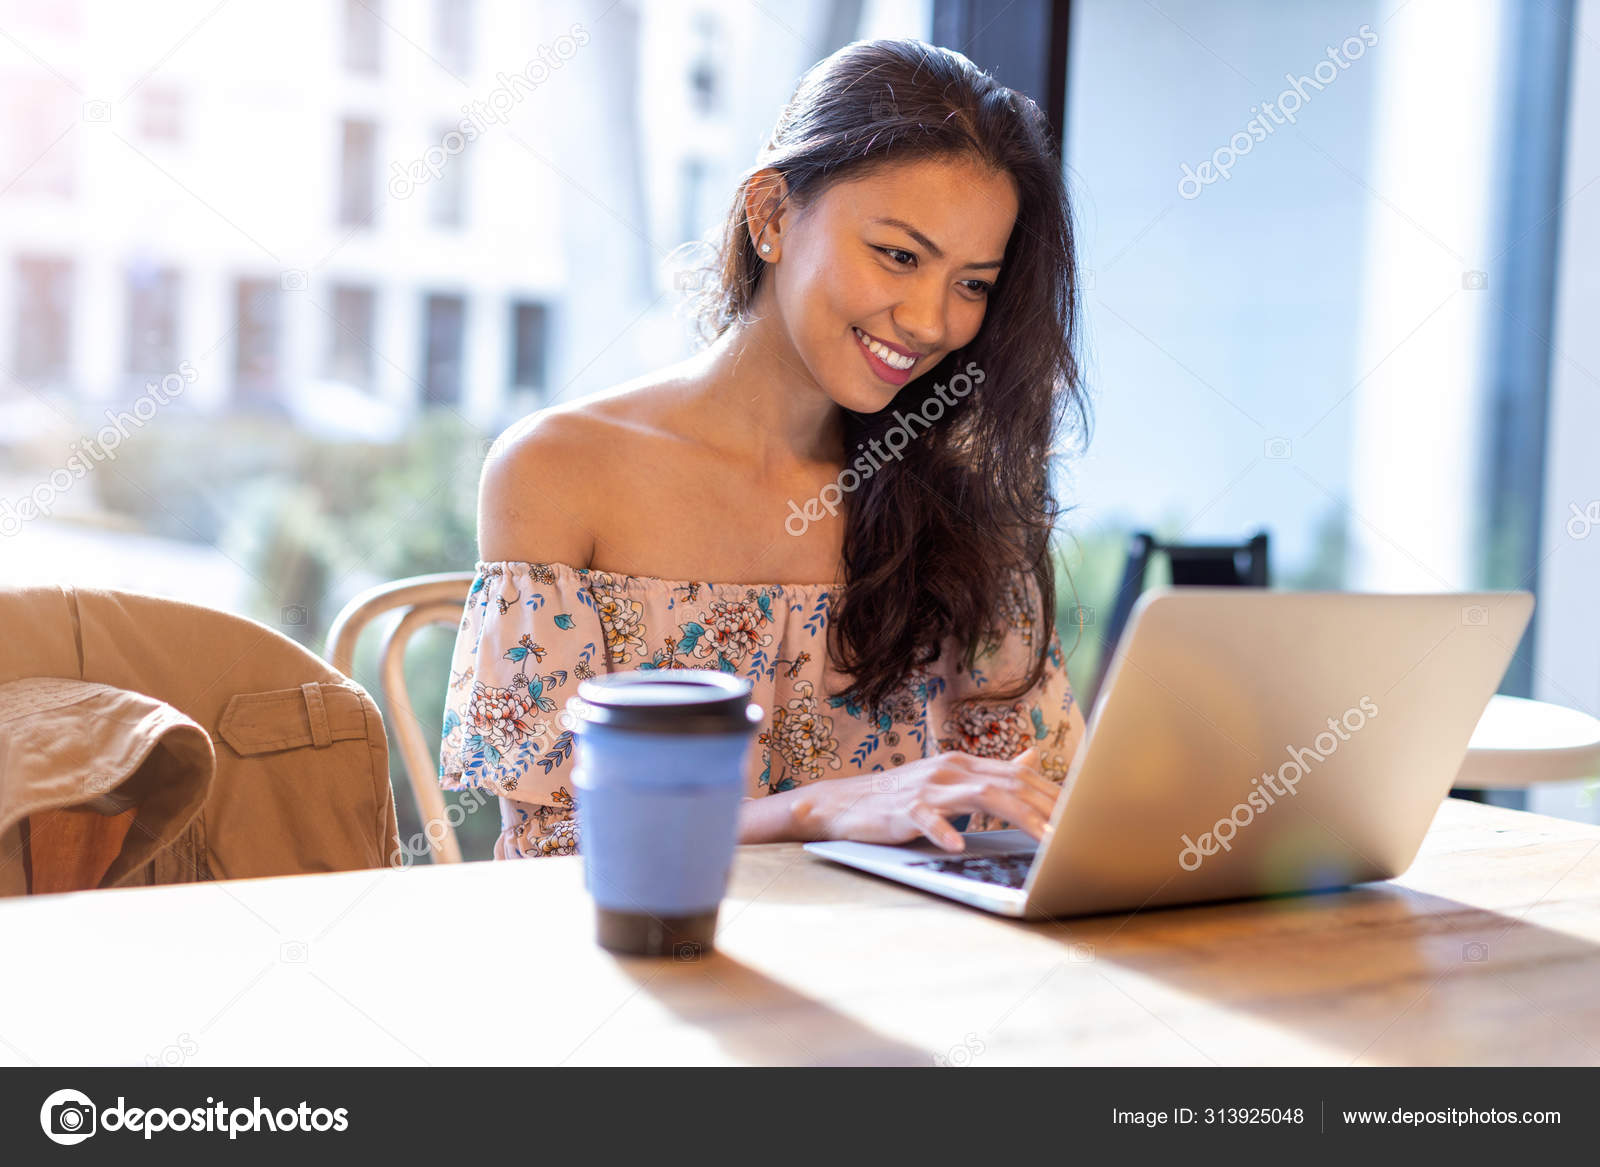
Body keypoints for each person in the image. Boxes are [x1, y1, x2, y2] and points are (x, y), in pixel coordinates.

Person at [439, 37, 1090, 860]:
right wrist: (816, 810)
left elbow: (1029, 805)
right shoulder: (559, 472)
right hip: (663, 962)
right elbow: (557, 845)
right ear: (772, 215)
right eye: (898, 255)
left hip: (913, 963)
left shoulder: (960, 498)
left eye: (972, 284)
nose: (931, 322)